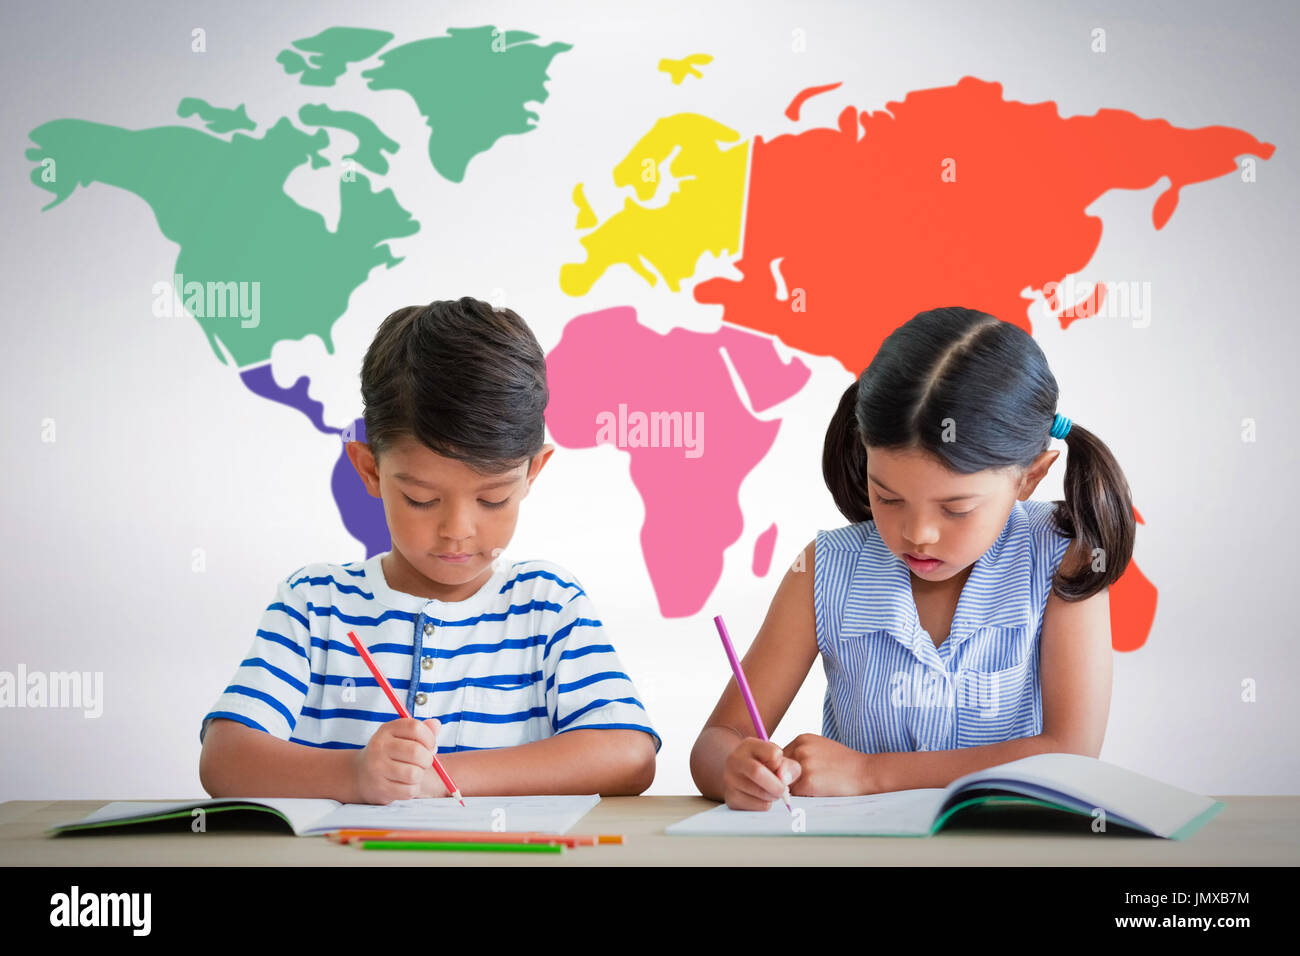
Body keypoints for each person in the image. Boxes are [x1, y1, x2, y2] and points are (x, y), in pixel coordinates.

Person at [199, 297, 659, 803]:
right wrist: (356, 775)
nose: (457, 530)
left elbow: (629, 755)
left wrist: (437, 777)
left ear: (533, 472)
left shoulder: (548, 604)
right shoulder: (316, 602)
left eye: (493, 498)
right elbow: (225, 759)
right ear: (370, 470)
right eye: (421, 499)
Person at [690, 306, 1133, 809]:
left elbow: (1071, 753)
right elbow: (716, 740)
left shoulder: (1064, 560)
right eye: (889, 498)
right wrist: (735, 767)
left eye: (956, 508)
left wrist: (870, 773)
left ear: (1030, 476)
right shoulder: (824, 570)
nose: (917, 534)